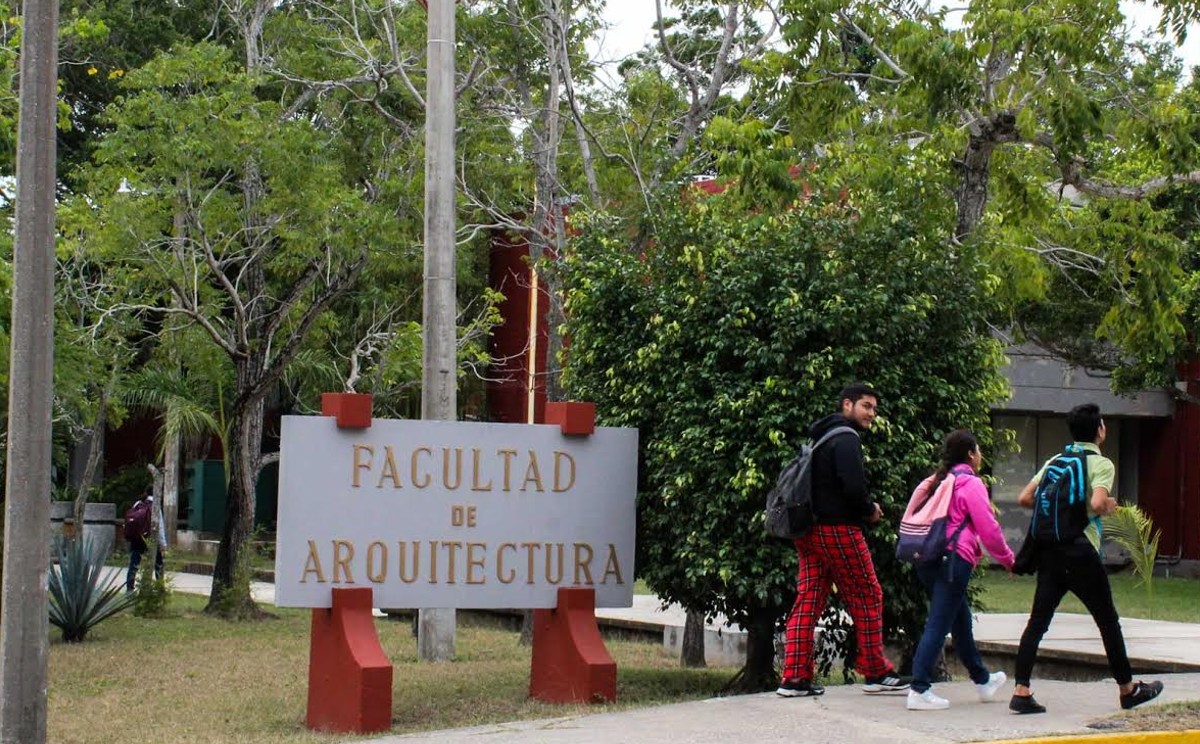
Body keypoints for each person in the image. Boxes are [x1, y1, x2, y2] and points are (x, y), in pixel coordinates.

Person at [1009, 403, 1163, 714]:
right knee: (1108, 621)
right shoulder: (1100, 463)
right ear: (1099, 430)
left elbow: (1025, 498)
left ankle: (1021, 691)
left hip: (1050, 551)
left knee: (1037, 622)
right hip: (1080, 552)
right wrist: (1106, 506)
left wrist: (1061, 512)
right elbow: (1096, 500)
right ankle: (1128, 689)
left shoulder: (1057, 459)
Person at [777, 382, 911, 698]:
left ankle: (794, 679)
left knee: (808, 599)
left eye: (874, 408)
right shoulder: (846, 438)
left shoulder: (822, 437)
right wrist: (869, 509)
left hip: (808, 531)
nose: (872, 414)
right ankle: (877, 671)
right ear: (847, 405)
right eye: (866, 406)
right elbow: (853, 487)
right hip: (838, 530)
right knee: (868, 593)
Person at [906, 429, 1015, 711]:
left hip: (926, 558)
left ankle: (982, 680)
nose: (980, 456)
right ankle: (918, 688)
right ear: (970, 454)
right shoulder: (969, 483)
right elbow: (988, 528)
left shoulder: (937, 481)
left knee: (959, 619)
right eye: (978, 450)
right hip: (953, 560)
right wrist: (1007, 559)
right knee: (939, 623)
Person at [125, 493, 166, 593]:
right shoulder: (155, 505)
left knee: (134, 563)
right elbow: (159, 526)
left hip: (137, 538)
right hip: (151, 538)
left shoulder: (138, 504)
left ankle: (129, 589)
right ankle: (160, 588)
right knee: (158, 563)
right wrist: (163, 543)